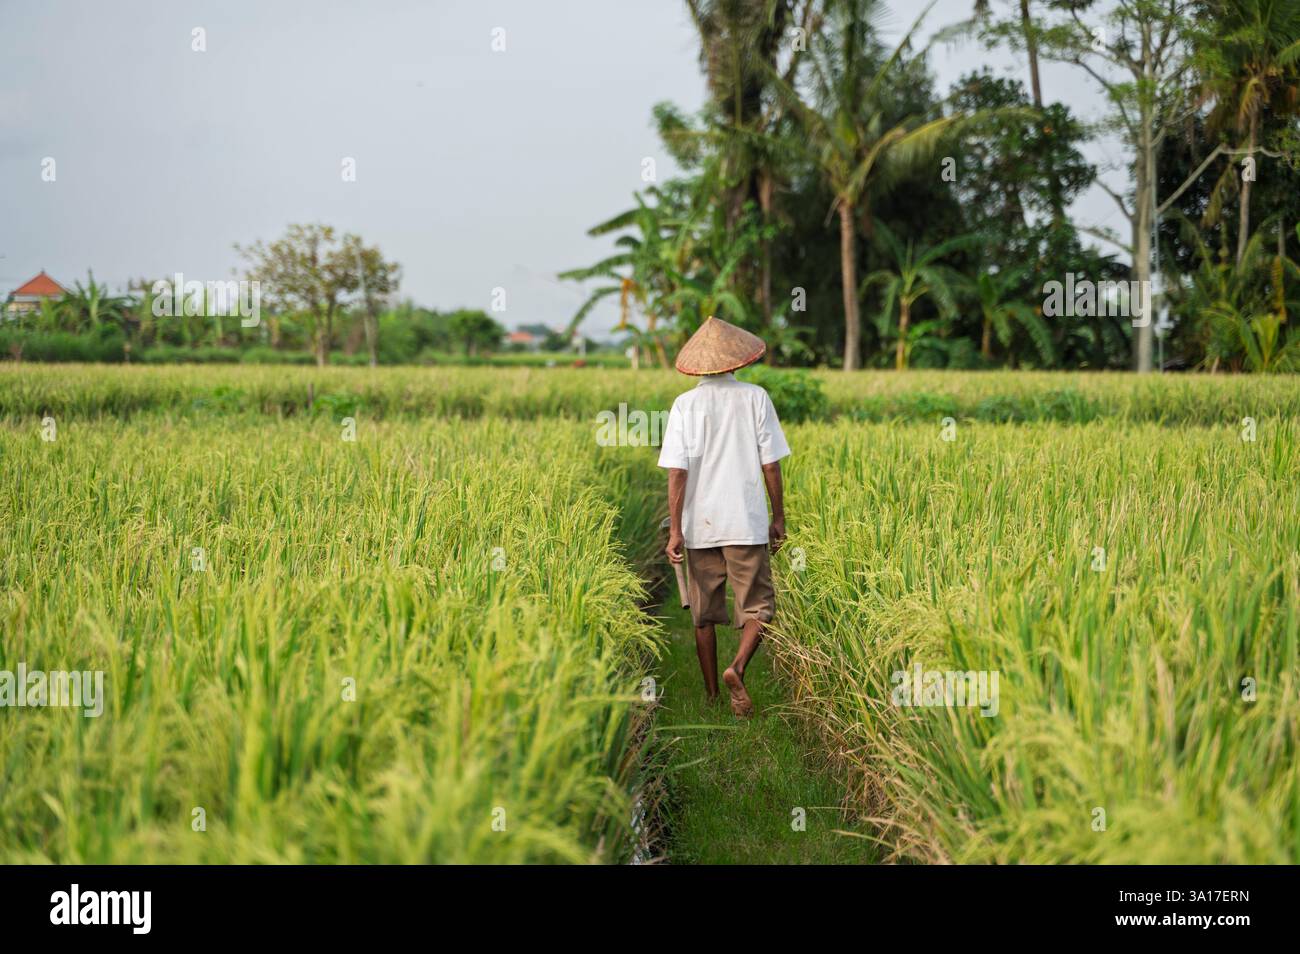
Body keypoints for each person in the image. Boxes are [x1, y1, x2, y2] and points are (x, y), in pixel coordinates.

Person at [657, 316, 790, 718]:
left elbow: (677, 471)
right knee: (758, 608)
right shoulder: (755, 397)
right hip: (745, 521)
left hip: (700, 525)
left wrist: (675, 530)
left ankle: (713, 695)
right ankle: (738, 667)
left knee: (703, 615)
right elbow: (770, 465)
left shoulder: (684, 404)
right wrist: (778, 517)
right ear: (735, 362)